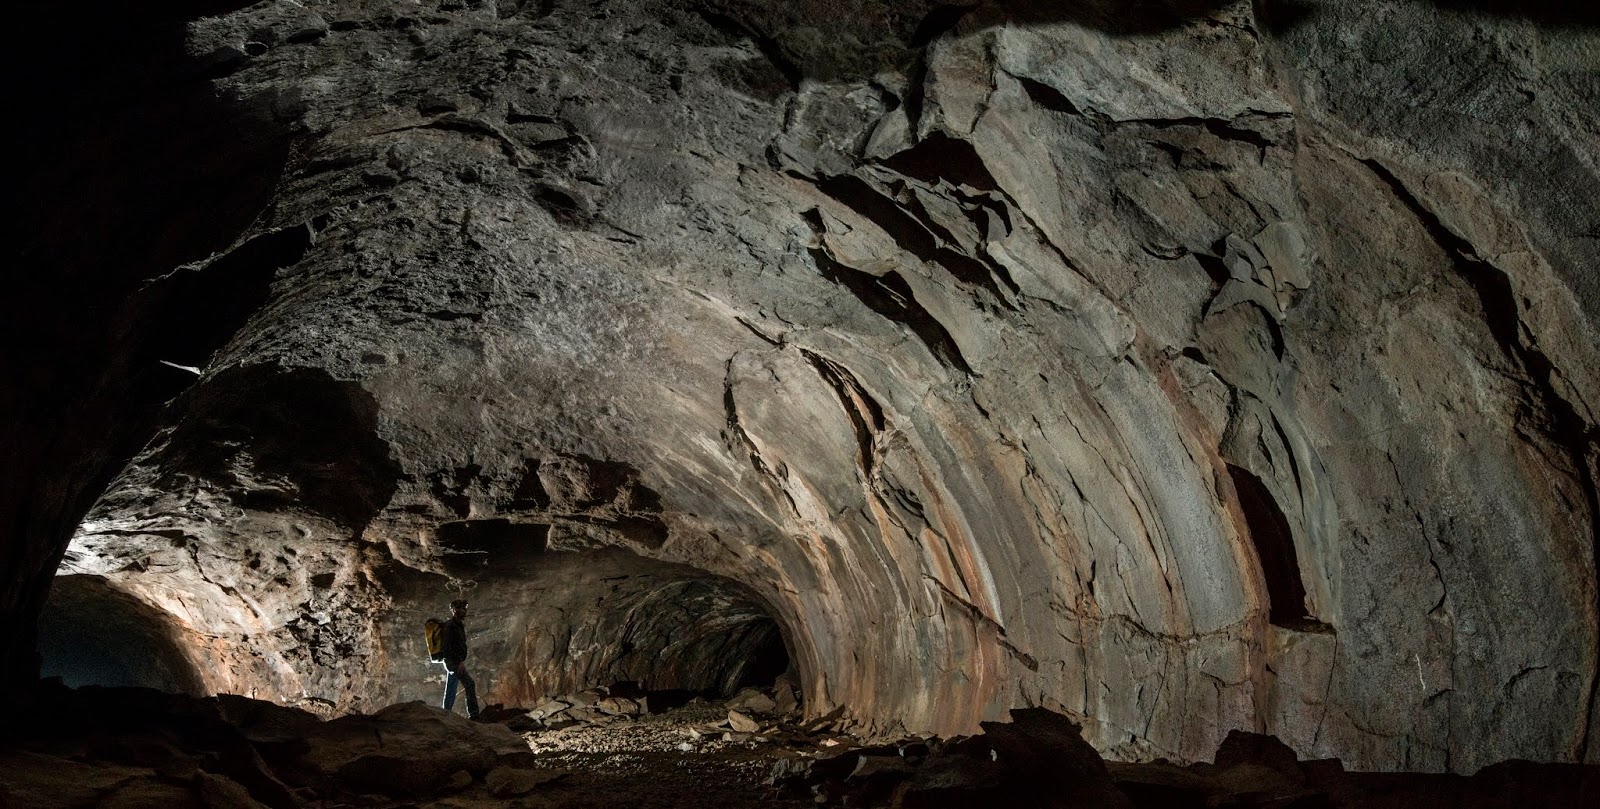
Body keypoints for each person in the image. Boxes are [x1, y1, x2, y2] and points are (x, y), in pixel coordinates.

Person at [441, 599, 480, 719]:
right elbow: (447, 647)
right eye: (459, 608)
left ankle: (445, 713)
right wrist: (458, 662)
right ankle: (474, 715)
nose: (463, 611)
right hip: (453, 662)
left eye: (464, 608)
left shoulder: (458, 625)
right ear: (453, 610)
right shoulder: (450, 626)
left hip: (455, 661)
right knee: (469, 684)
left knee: (451, 688)